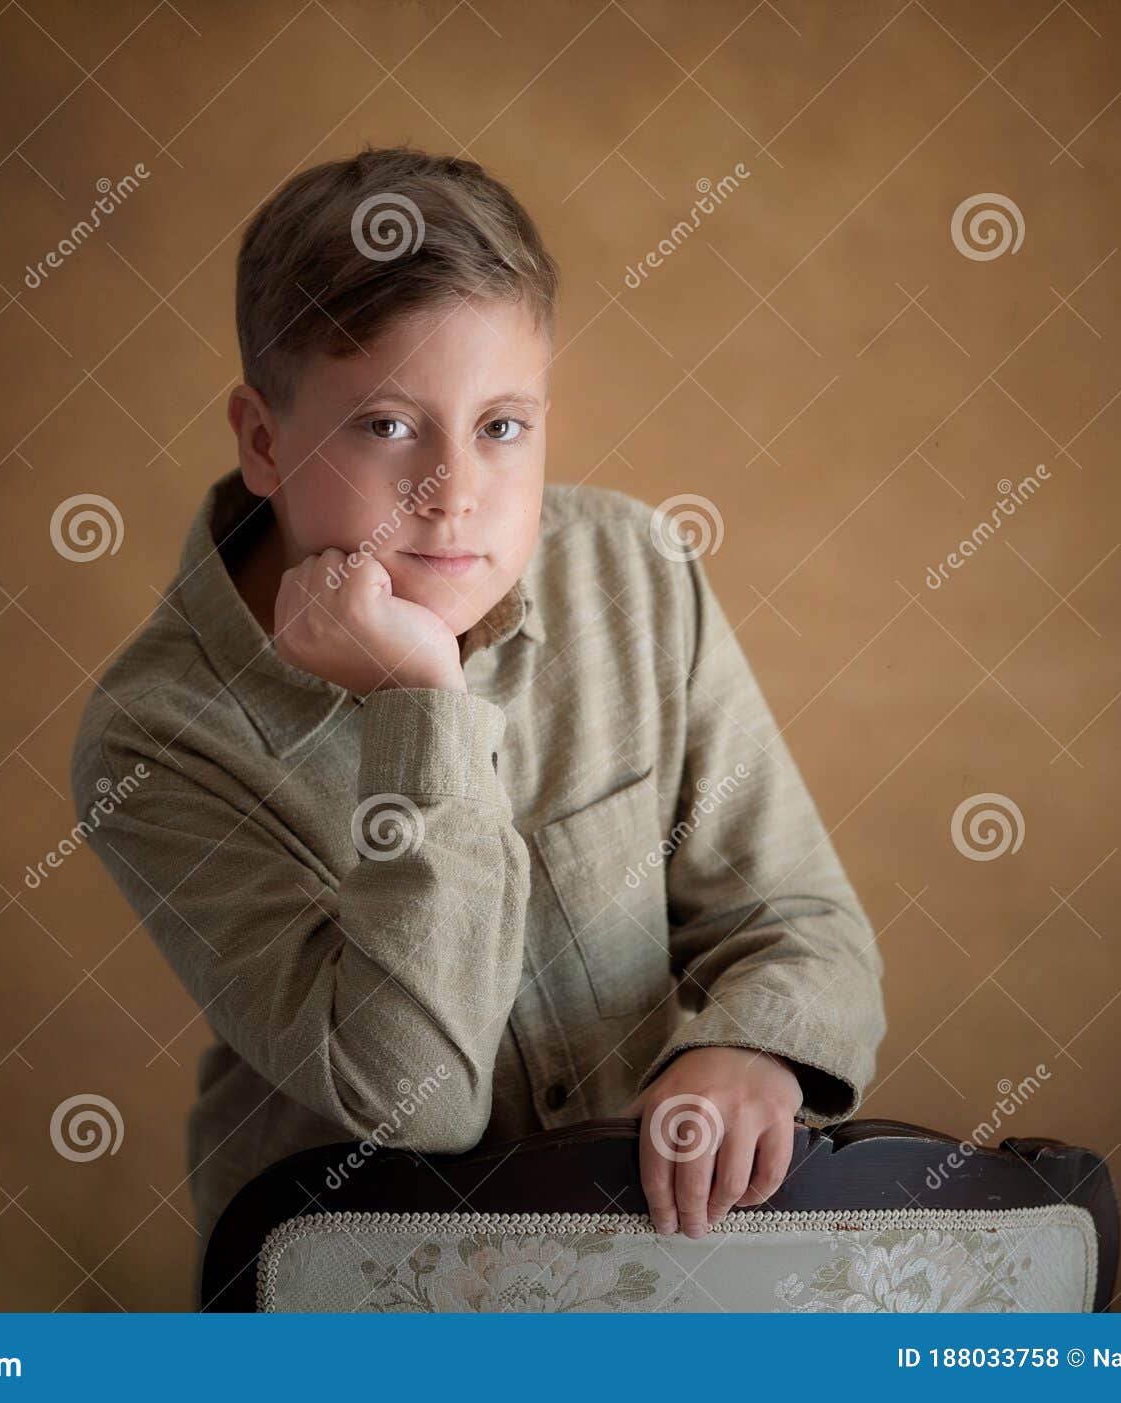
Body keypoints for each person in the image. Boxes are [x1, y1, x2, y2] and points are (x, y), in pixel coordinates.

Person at [69, 145, 886, 1288]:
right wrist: (421, 706)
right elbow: (421, 1095)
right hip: (372, 1290)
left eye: (501, 425)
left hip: (651, 1275)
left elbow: (800, 918)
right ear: (263, 440)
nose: (454, 490)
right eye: (387, 427)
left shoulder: (634, 571)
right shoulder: (158, 736)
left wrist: (752, 1044)